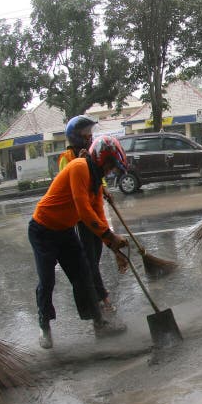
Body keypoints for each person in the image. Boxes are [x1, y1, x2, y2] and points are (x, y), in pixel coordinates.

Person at [29, 135, 130, 349]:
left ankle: (99, 324)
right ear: (102, 159)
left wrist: (115, 249)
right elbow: (83, 211)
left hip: (65, 231)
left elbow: (98, 216)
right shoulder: (79, 168)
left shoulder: (95, 182)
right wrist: (111, 237)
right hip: (43, 230)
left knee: (84, 275)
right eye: (112, 166)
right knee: (47, 280)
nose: (112, 171)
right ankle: (44, 325)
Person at [59, 115, 114, 313]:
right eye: (86, 135)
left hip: (94, 209)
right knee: (89, 258)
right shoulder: (67, 158)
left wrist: (104, 188)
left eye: (91, 135)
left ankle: (99, 294)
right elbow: (72, 183)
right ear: (76, 137)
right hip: (82, 216)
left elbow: (96, 175)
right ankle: (102, 298)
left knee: (96, 255)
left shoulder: (90, 153)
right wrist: (80, 161)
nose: (90, 138)